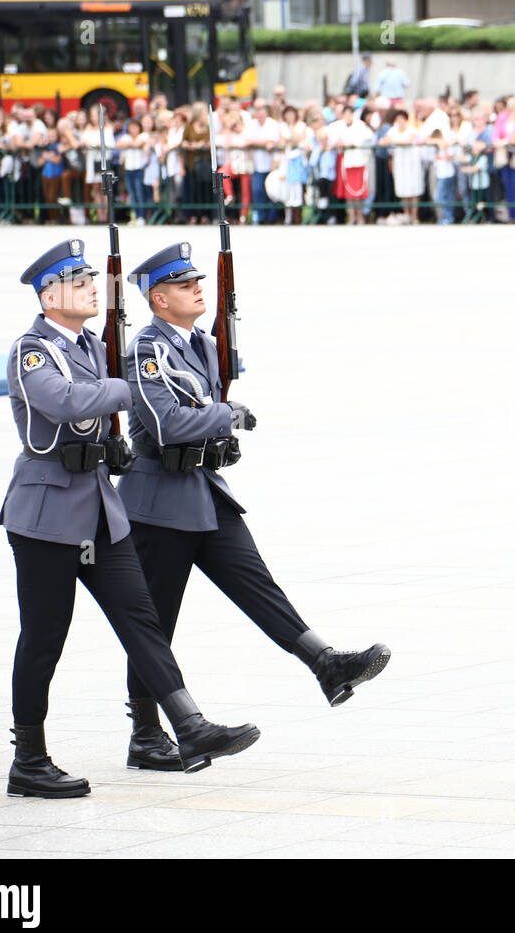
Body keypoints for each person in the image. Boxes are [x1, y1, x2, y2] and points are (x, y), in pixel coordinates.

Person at [0, 239, 261, 796]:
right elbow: (68, 403)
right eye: (79, 280)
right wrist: (125, 390)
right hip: (46, 516)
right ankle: (29, 758)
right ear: (49, 295)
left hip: (100, 510)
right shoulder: (32, 350)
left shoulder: (95, 347)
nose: (94, 286)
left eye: (93, 277)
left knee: (142, 622)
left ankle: (186, 727)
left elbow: (93, 404)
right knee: (45, 637)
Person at [114, 244, 391, 769]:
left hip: (203, 488)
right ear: (158, 298)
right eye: (184, 284)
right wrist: (226, 415)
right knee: (156, 624)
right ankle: (148, 735)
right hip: (157, 502)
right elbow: (166, 422)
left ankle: (327, 663)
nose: (198, 288)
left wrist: (221, 435)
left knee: (257, 583)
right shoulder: (145, 350)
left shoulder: (200, 343)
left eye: (199, 280)